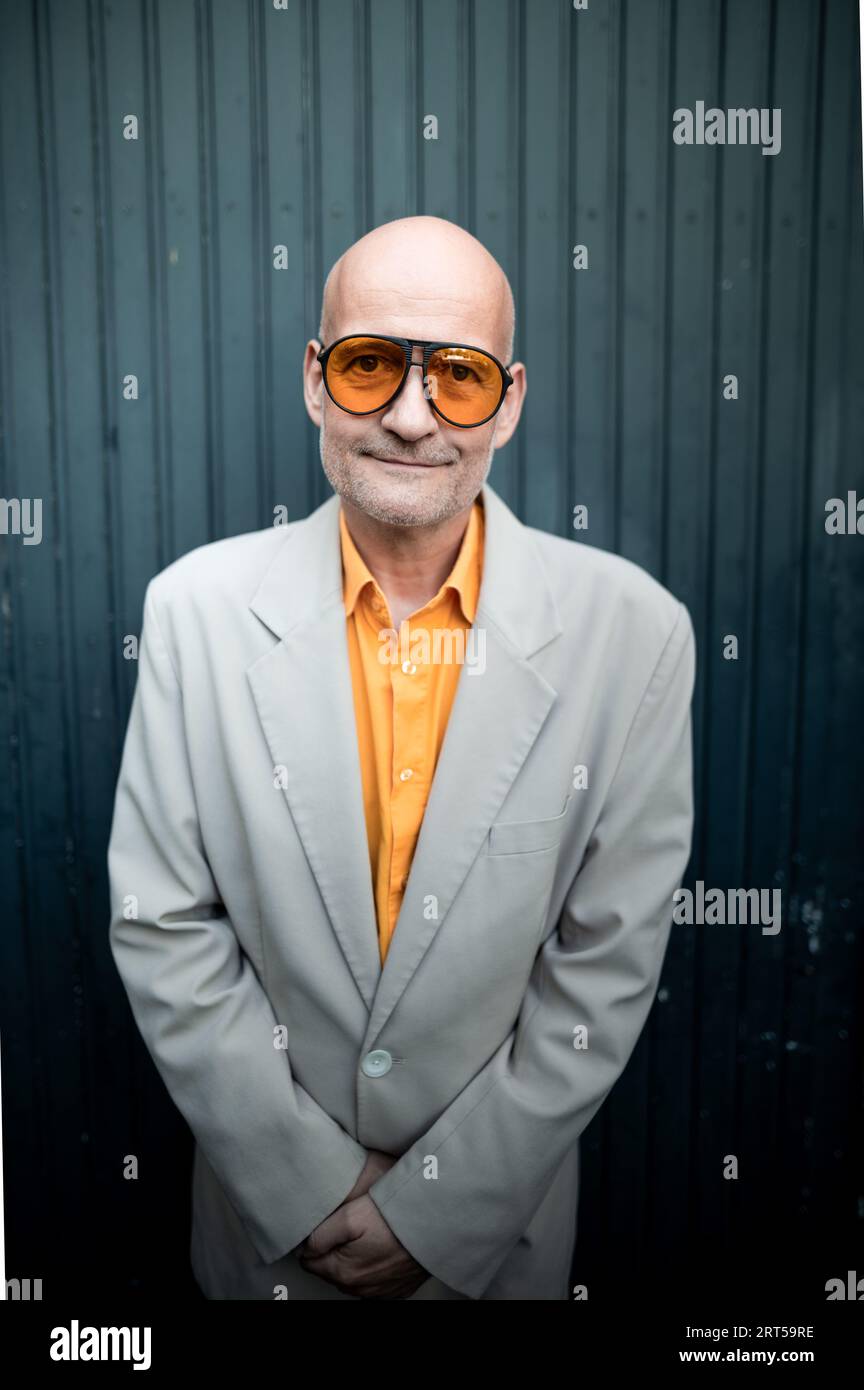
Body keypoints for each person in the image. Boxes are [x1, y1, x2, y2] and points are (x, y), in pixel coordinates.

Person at [107, 215, 695, 1301]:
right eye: (370, 364)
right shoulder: (191, 613)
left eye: (460, 380)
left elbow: (603, 969)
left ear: (509, 402)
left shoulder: (638, 637)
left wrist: (438, 1210)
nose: (413, 419)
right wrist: (310, 1186)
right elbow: (165, 928)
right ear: (315, 381)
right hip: (267, 1247)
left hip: (492, 1262)